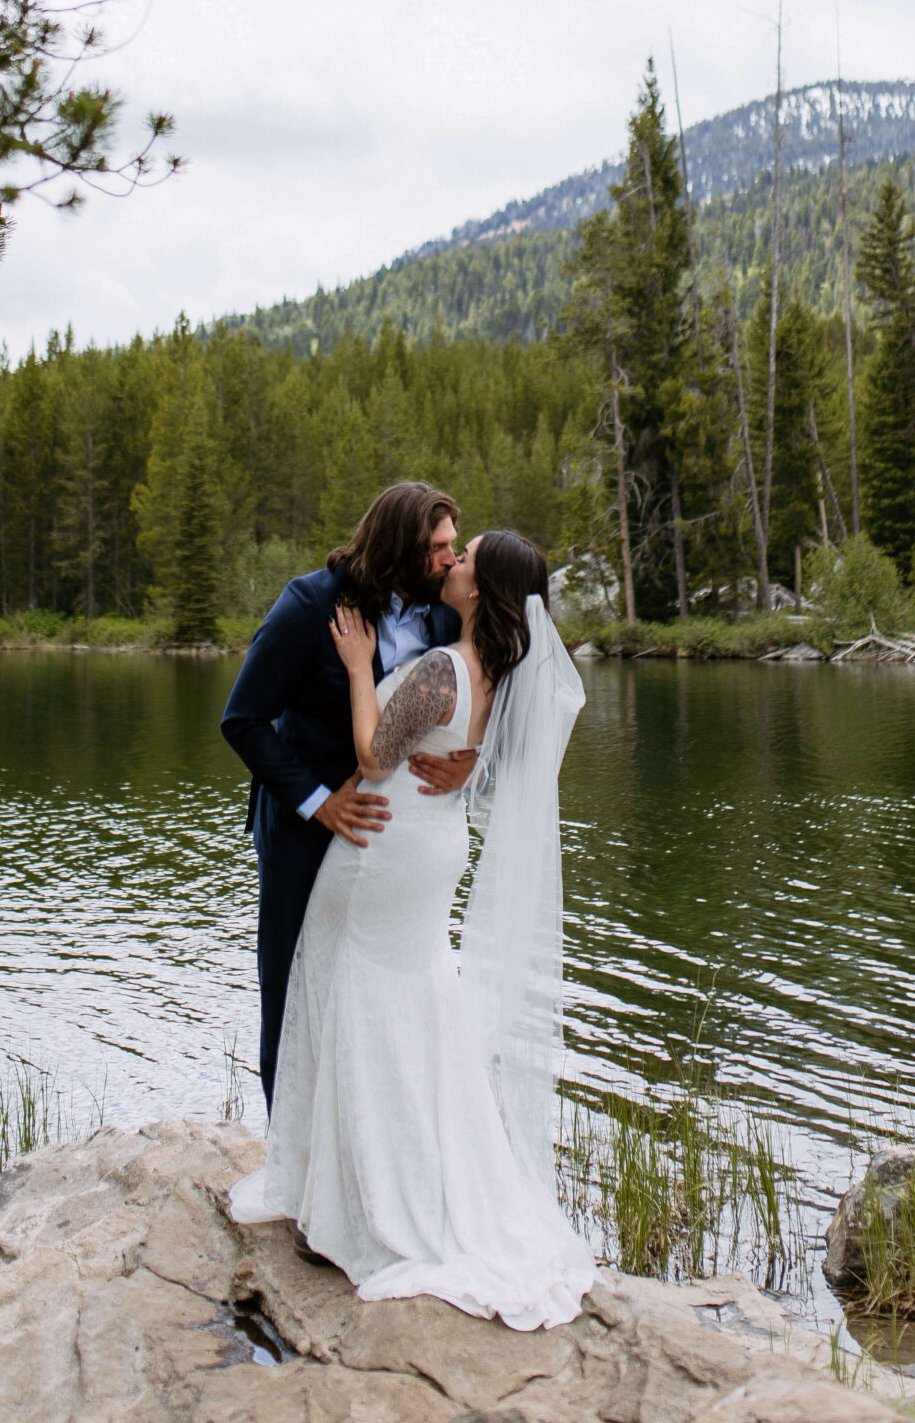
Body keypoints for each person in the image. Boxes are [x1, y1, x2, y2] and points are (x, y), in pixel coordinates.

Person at [228, 530, 595, 1331]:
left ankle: (360, 1198)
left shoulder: (439, 662)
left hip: (381, 846)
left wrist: (361, 670)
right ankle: (365, 1177)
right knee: (414, 1006)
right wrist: (474, 753)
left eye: (463, 557)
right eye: (444, 549)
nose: (450, 563)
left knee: (351, 995)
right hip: (427, 849)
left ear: (483, 589)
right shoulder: (498, 670)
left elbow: (372, 750)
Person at [221, 481, 473, 1112]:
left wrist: (471, 765)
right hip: (303, 838)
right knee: (292, 992)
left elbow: (480, 702)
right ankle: (287, 1155)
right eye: (438, 547)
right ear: (398, 547)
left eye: (453, 546)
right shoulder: (311, 605)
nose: (450, 558)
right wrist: (317, 802)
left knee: (375, 997)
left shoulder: (446, 614)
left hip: (396, 847)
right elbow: (243, 719)